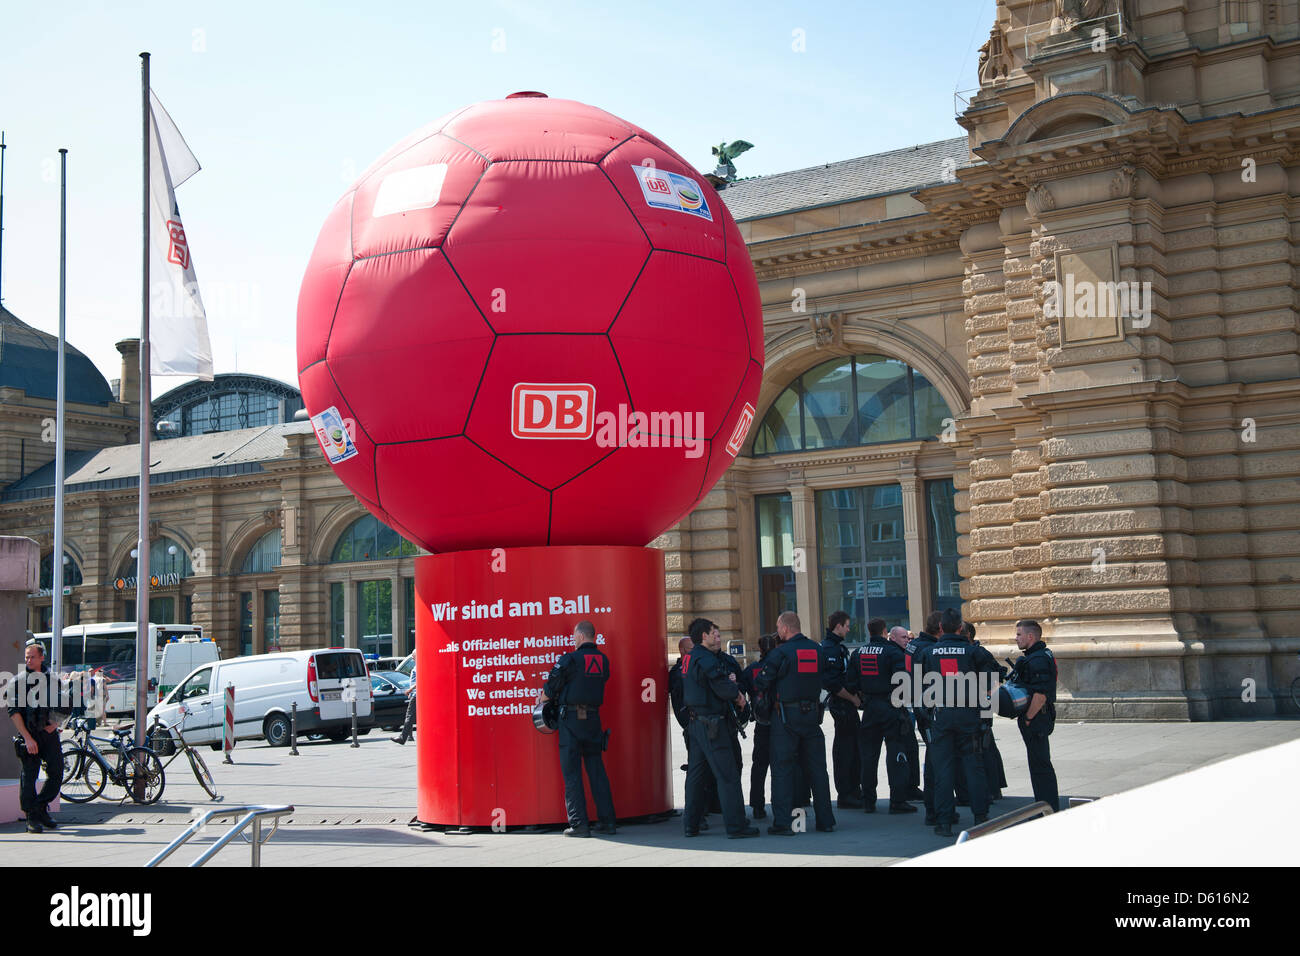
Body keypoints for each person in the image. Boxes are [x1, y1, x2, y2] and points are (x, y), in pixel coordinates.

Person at [755, 611, 836, 835]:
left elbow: (762, 681)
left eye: (779, 627)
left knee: (782, 768)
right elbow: (825, 679)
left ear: (785, 628)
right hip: (812, 716)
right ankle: (826, 821)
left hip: (785, 717)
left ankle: (783, 822)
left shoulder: (781, 652)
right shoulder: (817, 650)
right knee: (818, 770)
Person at [921, 608, 998, 837]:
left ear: (942, 628)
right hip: (968, 714)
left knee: (943, 770)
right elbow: (992, 682)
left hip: (942, 715)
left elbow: (920, 687)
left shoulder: (929, 652)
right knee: (973, 766)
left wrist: (928, 713)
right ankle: (980, 816)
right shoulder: (974, 652)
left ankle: (944, 822)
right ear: (961, 629)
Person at [681, 618, 759, 838]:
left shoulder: (690, 658)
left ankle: (691, 825)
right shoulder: (705, 658)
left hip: (696, 723)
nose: (718, 637)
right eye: (714, 633)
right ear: (703, 636)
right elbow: (721, 685)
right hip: (712, 724)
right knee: (728, 775)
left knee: (696, 777)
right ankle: (736, 826)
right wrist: (739, 697)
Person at [538, 621, 616, 838]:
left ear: (580, 636)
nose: (573, 640)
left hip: (571, 719)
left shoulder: (570, 659)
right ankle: (608, 821)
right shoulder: (603, 660)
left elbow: (551, 687)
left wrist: (542, 700)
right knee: (597, 771)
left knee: (572, 772)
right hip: (592, 718)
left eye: (574, 636)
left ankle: (579, 824)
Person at [845, 618, 916, 814]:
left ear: (869, 632)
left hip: (870, 709)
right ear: (885, 632)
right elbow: (903, 681)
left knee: (868, 756)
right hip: (891, 707)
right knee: (896, 753)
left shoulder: (858, 653)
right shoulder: (893, 652)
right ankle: (898, 801)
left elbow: (850, 683)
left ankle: (868, 800)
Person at [8, 641, 62, 833]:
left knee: (57, 772)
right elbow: (14, 712)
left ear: (41, 657)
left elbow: (65, 705)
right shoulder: (18, 681)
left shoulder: (53, 679)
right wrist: (27, 738)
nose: (29, 660)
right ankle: (31, 816)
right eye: (26, 657)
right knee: (29, 775)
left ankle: (41, 807)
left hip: (49, 735)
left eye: (32, 657)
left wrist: (54, 725)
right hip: (28, 734)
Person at [1012, 619, 1060, 812]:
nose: (1016, 638)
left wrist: (1028, 718)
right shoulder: (1037, 655)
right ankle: (1044, 807)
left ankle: (1047, 809)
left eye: (1018, 634)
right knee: (1039, 766)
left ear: (1030, 636)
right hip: (1038, 718)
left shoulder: (1038, 659)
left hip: (1037, 719)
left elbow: (1040, 695)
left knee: (1041, 767)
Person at [670, 635, 717, 826]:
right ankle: (697, 814)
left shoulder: (696, 664)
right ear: (682, 651)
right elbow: (678, 701)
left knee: (702, 770)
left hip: (703, 723)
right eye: (690, 648)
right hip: (692, 725)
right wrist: (687, 724)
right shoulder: (678, 672)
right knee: (696, 771)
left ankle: (703, 810)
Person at [959, 622, 1007, 801]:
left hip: (981, 706)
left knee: (985, 747)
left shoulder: (979, 653)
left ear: (969, 635)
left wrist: (987, 704)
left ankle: (993, 789)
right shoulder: (971, 652)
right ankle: (992, 787)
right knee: (984, 747)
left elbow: (993, 681)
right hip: (975, 706)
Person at [823, 610, 863, 808]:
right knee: (845, 751)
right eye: (847, 625)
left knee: (853, 749)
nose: (849, 628)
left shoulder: (838, 647)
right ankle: (846, 793)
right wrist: (853, 699)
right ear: (838, 626)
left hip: (847, 704)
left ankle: (853, 790)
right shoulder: (830, 649)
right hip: (842, 706)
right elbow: (832, 682)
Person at [907, 611, 942, 823]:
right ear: (939, 627)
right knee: (935, 758)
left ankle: (934, 806)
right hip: (928, 707)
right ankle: (933, 809)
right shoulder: (928, 649)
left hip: (919, 703)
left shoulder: (915, 644)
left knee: (933, 755)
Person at [889, 626, 925, 802]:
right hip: (896, 707)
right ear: (893, 638)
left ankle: (909, 787)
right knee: (905, 748)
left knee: (908, 747)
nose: (907, 640)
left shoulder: (903, 653)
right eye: (903, 637)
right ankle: (906, 789)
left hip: (898, 705)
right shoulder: (896, 655)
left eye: (908, 637)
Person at [744, 634, 777, 818]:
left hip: (761, 722)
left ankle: (757, 805)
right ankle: (784, 802)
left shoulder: (751, 670)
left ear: (759, 649)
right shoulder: (779, 666)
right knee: (781, 765)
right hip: (780, 721)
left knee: (759, 765)